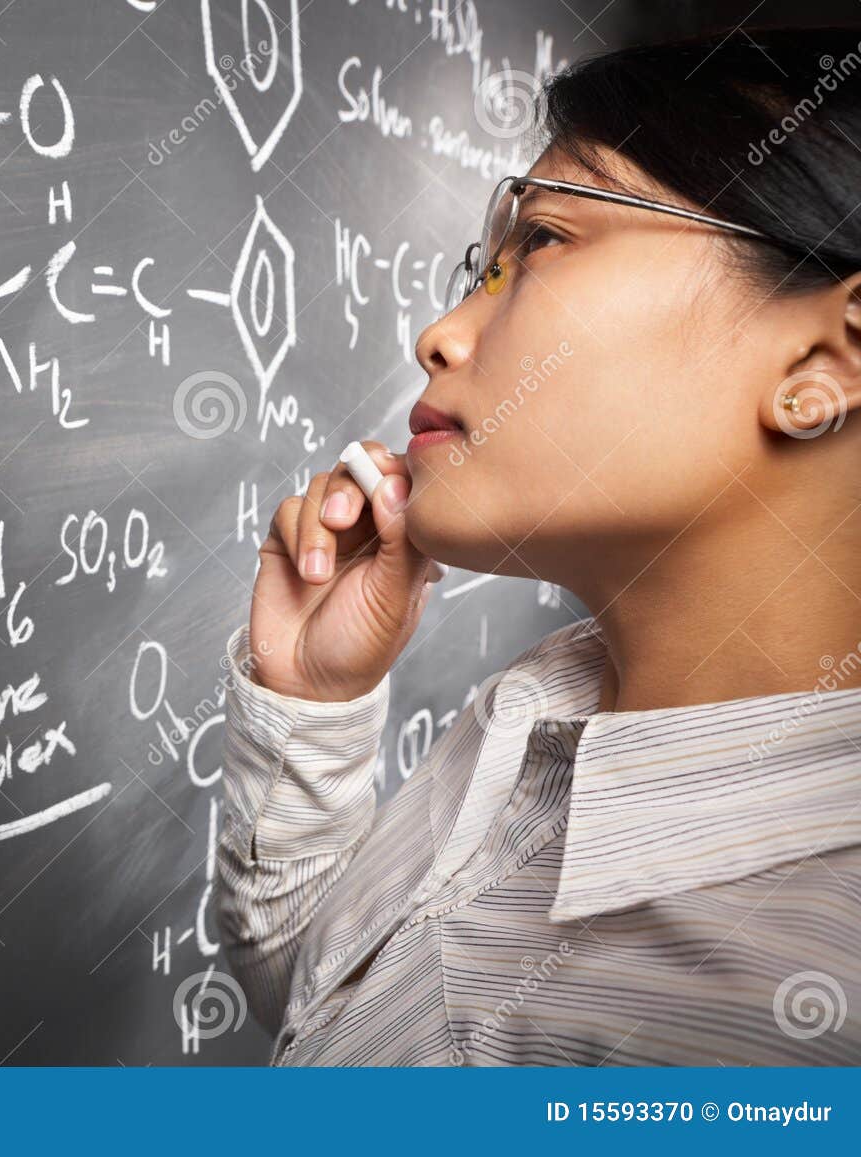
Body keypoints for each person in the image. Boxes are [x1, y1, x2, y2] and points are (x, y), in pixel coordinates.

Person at [220, 27, 861, 1065]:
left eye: (547, 242)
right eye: (483, 267)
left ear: (827, 358)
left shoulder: (787, 1020)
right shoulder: (538, 707)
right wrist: (311, 702)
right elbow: (326, 1001)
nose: (438, 333)